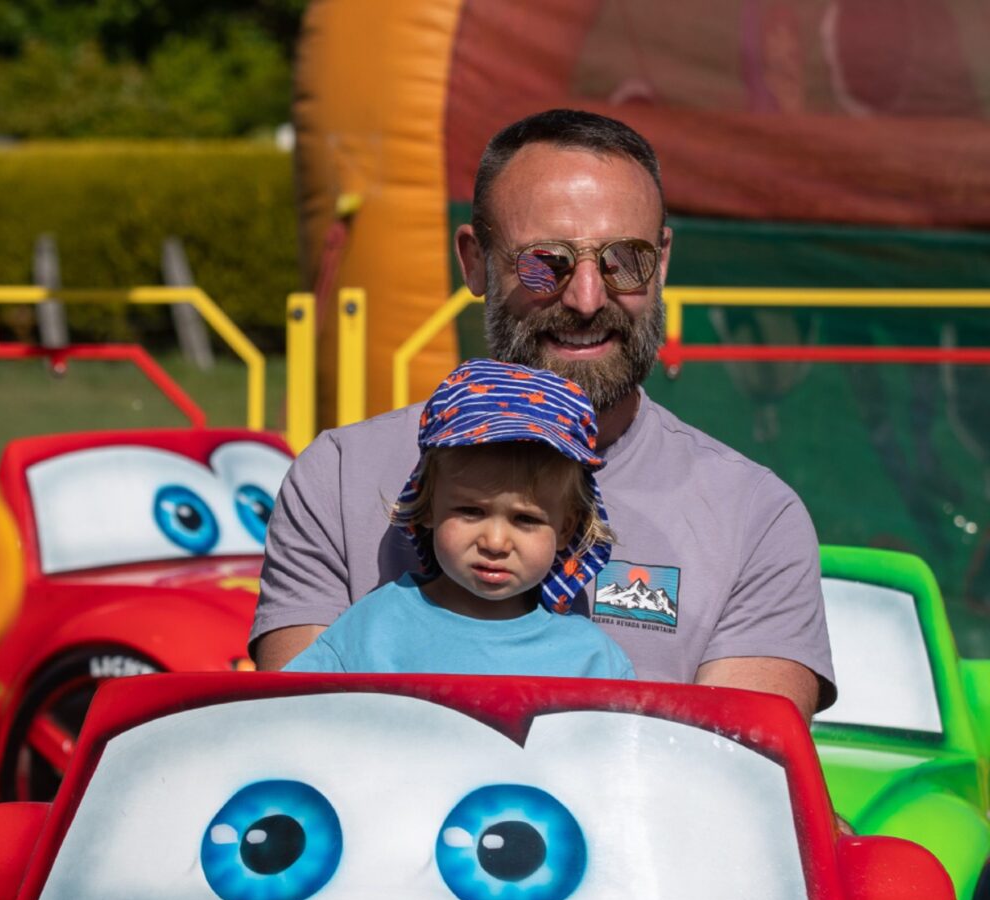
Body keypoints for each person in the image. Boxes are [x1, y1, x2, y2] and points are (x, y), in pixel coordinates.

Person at [252, 108, 834, 717]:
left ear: (661, 262)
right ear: (475, 261)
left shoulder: (754, 519)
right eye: (545, 263)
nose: (587, 297)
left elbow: (737, 774)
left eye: (625, 260)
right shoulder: (339, 479)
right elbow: (299, 745)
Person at [287, 360, 634, 678]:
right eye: (471, 511)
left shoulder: (591, 661)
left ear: (565, 529)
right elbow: (290, 717)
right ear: (426, 506)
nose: (495, 542)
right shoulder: (372, 629)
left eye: (526, 519)